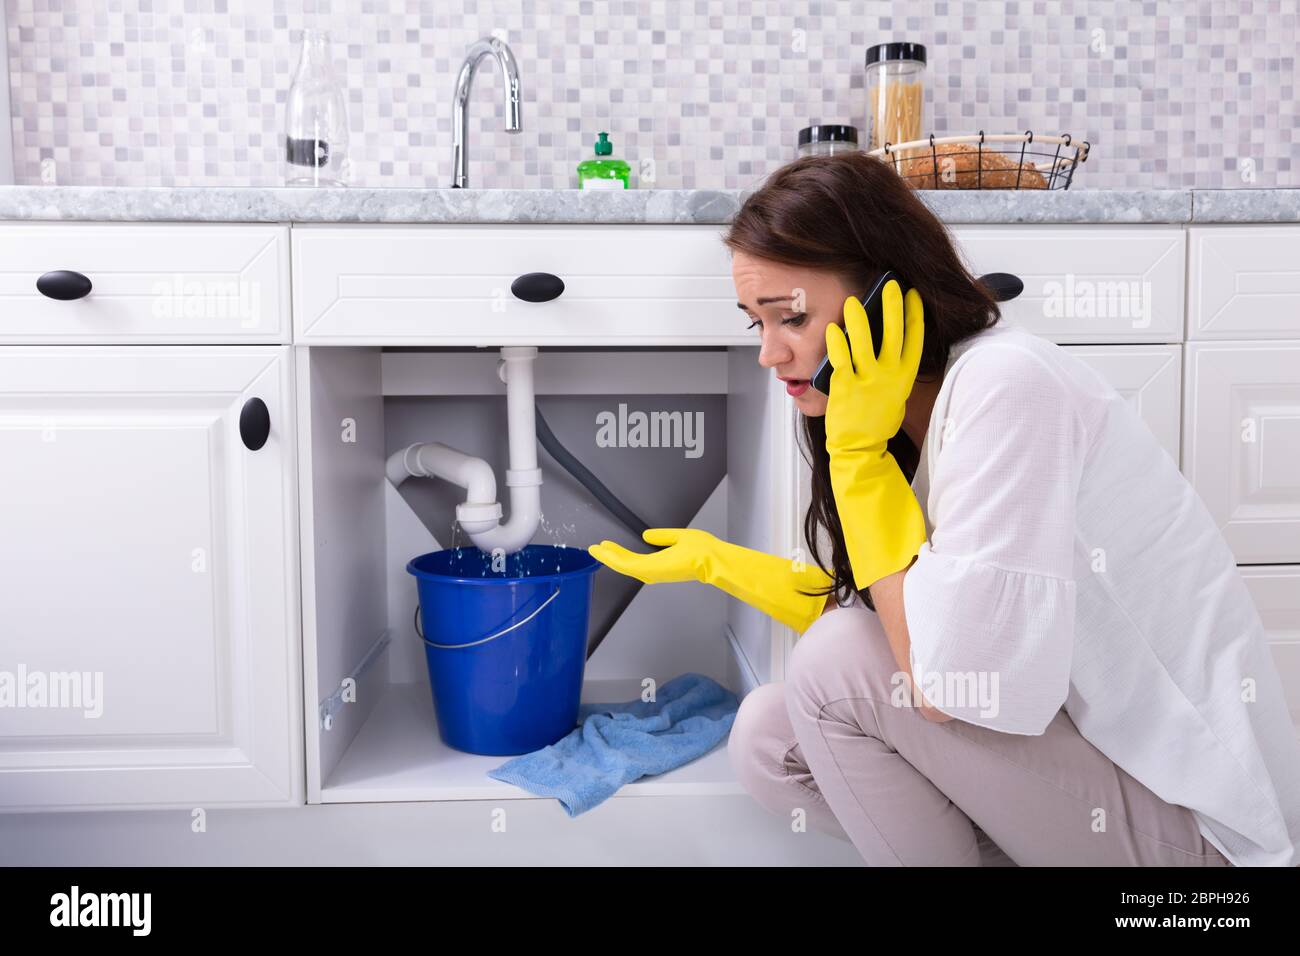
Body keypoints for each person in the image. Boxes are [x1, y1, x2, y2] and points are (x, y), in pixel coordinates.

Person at [588, 152, 1300, 867]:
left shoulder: (1006, 386)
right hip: (1092, 793)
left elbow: (939, 688)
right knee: (769, 736)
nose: (770, 354)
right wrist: (718, 562)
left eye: (790, 317)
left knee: (831, 668)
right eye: (756, 325)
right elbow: (892, 620)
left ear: (885, 298)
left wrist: (858, 460)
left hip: (1206, 853)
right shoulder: (903, 419)